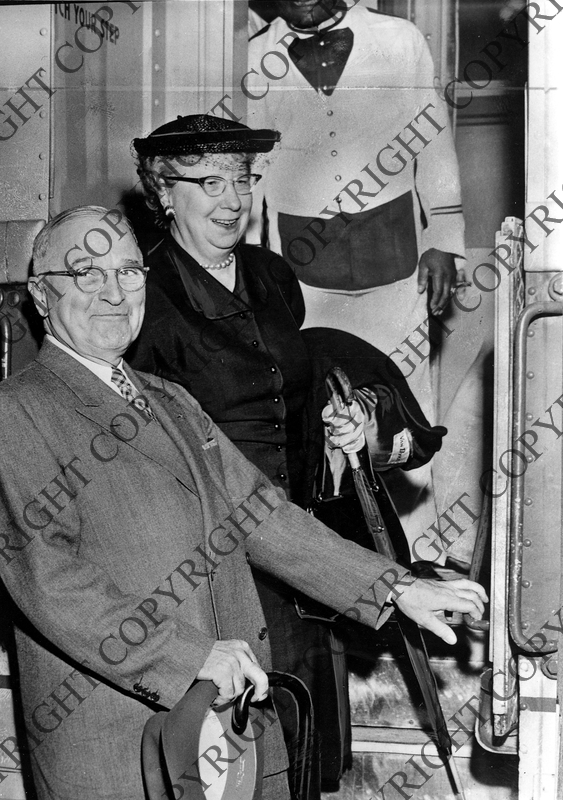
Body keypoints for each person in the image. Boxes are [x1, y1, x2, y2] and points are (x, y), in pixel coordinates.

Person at [0, 204, 487, 800]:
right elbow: (49, 581)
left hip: (233, 731)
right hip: (120, 744)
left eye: (129, 272)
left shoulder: (170, 399)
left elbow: (263, 516)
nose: (113, 292)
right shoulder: (16, 412)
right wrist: (189, 655)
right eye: (86, 274)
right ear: (41, 295)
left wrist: (395, 587)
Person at [127, 113, 448, 791]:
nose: (232, 199)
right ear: (162, 192)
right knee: (228, 752)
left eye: (241, 178)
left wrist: (344, 429)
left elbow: (292, 391)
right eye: (208, 181)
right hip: (202, 560)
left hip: (294, 545)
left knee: (301, 734)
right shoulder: (142, 293)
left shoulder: (271, 274)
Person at [245, 0, 466, 561]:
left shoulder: (400, 39)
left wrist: (443, 235)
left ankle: (425, 558)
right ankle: (350, 568)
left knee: (406, 411)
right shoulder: (251, 59)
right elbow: (250, 175)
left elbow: (431, 135)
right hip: (303, 280)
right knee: (329, 423)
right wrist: (247, 271)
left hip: (395, 263)